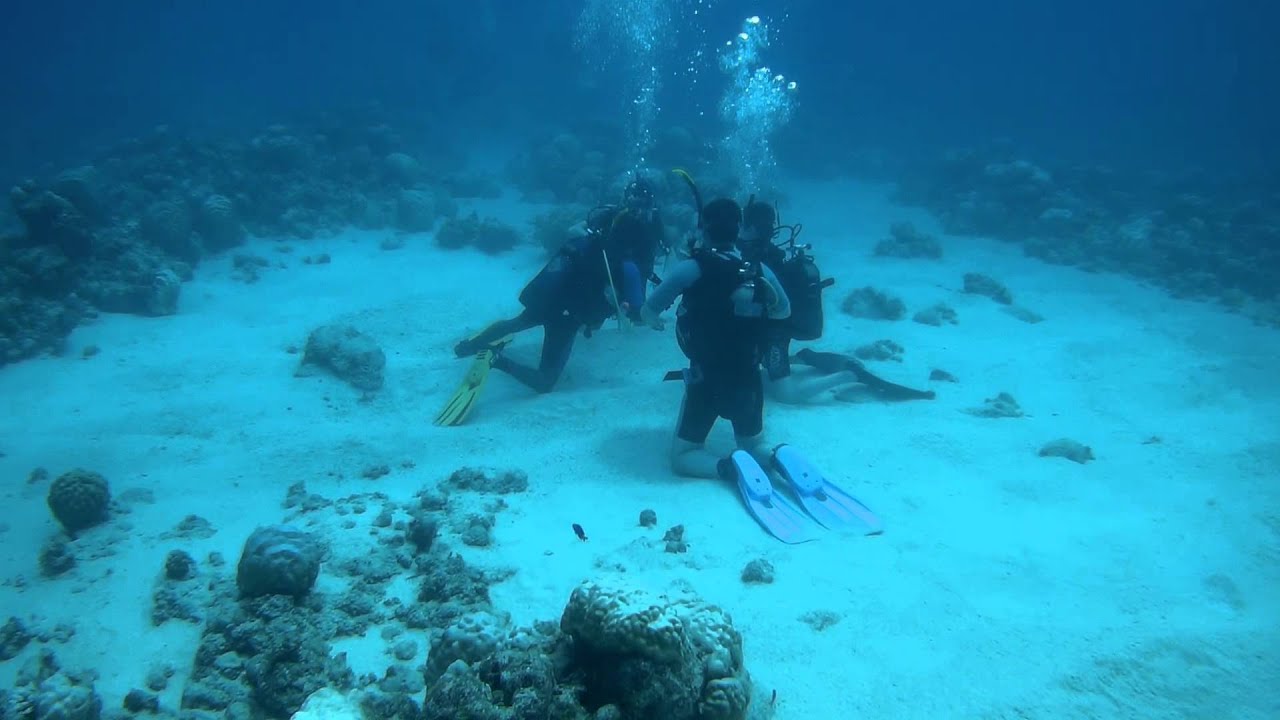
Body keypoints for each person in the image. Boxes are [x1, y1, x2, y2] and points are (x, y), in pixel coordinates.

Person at [639, 197, 791, 478]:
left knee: (685, 455)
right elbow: (784, 311)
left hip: (707, 378)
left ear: (703, 228)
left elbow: (648, 310)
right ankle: (775, 457)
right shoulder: (757, 269)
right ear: (740, 229)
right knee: (753, 443)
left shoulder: (692, 267)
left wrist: (655, 321)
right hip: (748, 374)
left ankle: (730, 468)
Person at [739, 199, 934, 404]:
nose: (738, 229)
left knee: (786, 395)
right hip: (769, 330)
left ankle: (848, 376)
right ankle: (805, 358)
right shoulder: (768, 254)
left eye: (742, 224)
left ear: (750, 227)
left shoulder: (758, 261)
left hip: (774, 334)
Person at [451, 223, 635, 395]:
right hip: (565, 321)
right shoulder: (617, 266)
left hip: (544, 301)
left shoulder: (583, 244)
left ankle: (468, 346)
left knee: (515, 324)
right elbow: (603, 310)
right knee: (545, 382)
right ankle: (498, 361)